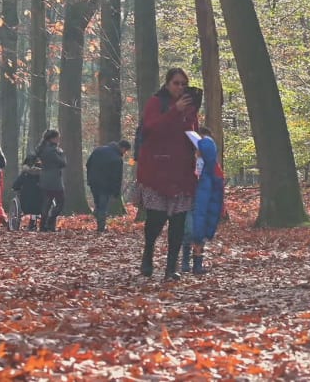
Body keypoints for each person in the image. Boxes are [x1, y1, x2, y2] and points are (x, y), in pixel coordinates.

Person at [133, 68, 201, 280]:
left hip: (182, 173)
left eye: (183, 84)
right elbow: (151, 128)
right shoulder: (156, 102)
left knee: (178, 224)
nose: (180, 87)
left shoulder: (190, 107)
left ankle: (172, 267)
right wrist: (174, 111)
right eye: (176, 83)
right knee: (156, 220)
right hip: (157, 172)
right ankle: (148, 255)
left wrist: (200, 147)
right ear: (167, 83)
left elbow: (192, 132)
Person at [181, 134, 225, 275]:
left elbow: (218, 191)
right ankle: (185, 262)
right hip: (190, 202)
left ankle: (197, 264)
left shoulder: (212, 168)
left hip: (205, 206)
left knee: (199, 235)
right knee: (189, 232)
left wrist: (218, 208)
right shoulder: (190, 163)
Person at [86, 139, 131, 232]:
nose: (125, 153)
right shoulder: (117, 159)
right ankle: (101, 228)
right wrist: (116, 193)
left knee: (98, 204)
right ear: (123, 148)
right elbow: (117, 177)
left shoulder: (98, 150)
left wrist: (90, 178)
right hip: (106, 186)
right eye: (125, 151)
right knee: (103, 206)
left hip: (93, 182)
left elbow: (88, 164)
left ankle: (97, 217)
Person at [34, 129, 67, 232]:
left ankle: (43, 226)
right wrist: (62, 154)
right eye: (57, 138)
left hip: (44, 178)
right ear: (52, 139)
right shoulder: (53, 150)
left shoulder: (42, 149)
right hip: (54, 180)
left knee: (47, 203)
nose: (58, 140)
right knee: (61, 202)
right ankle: (49, 221)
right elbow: (62, 163)